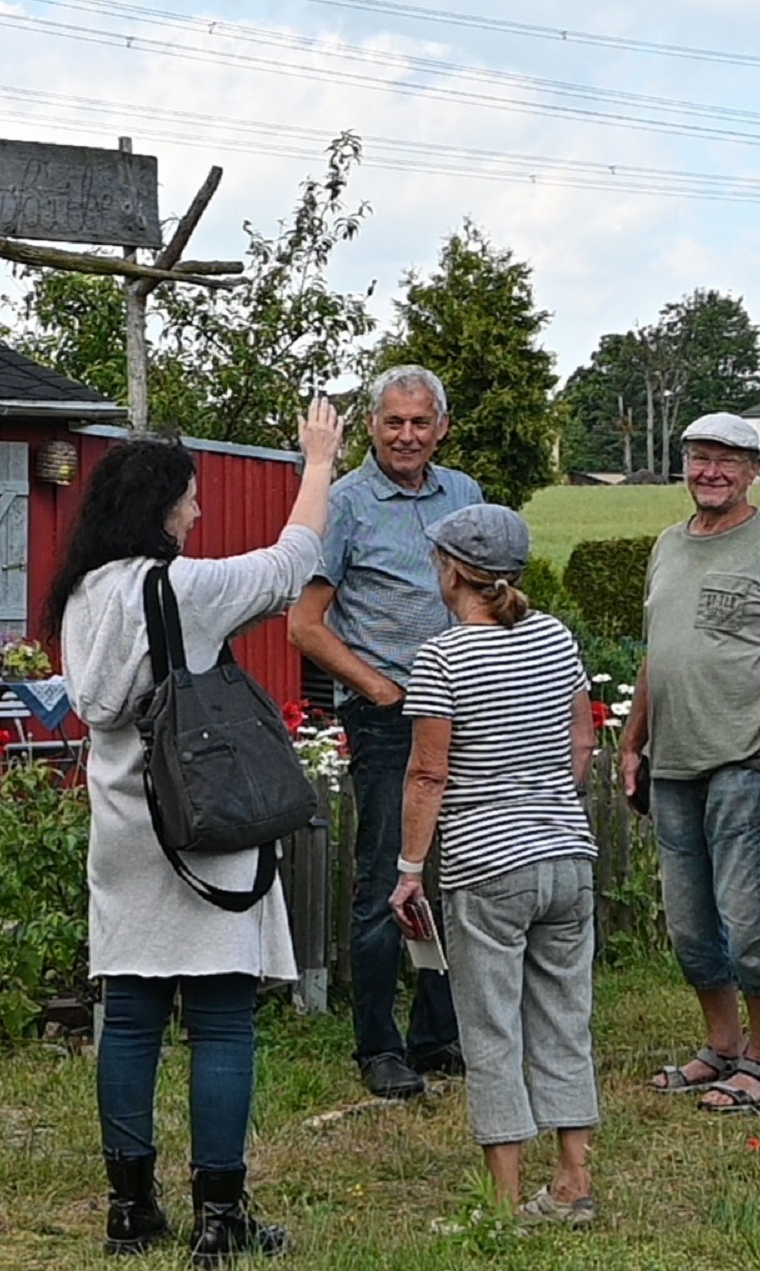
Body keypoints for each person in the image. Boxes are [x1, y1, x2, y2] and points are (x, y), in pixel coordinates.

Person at [50, 399, 341, 1263]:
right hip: (203, 820)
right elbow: (293, 564)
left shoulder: (78, 596)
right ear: (159, 507)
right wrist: (317, 463)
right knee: (220, 1021)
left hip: (123, 829)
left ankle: (129, 1209)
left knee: (131, 1018)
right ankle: (222, 1214)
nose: (199, 513)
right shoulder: (182, 588)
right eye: (189, 499)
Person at [388, 504, 602, 1223]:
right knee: (565, 1018)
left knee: (490, 1027)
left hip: (488, 864)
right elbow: (581, 742)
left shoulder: (442, 657)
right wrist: (547, 802)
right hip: (567, 852)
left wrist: (410, 866)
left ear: (451, 570)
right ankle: (572, 1180)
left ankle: (505, 1201)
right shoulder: (555, 637)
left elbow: (427, 775)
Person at [618, 412, 760, 1113]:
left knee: (748, 915)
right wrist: (631, 739)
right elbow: (659, 651)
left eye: (726, 461)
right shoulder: (667, 545)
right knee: (688, 920)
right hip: (673, 760)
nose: (709, 471)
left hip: (746, 756)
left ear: (753, 470)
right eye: (697, 458)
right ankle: (721, 1047)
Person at [287, 364, 482, 1100]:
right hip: (389, 716)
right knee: (387, 878)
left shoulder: (464, 497)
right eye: (393, 422)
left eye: (420, 422)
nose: (407, 435)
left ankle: (439, 1033)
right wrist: (378, 687)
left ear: (442, 428)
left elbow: (487, 598)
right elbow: (303, 625)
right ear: (372, 426)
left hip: (463, 710)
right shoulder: (345, 504)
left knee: (453, 873)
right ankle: (379, 1045)